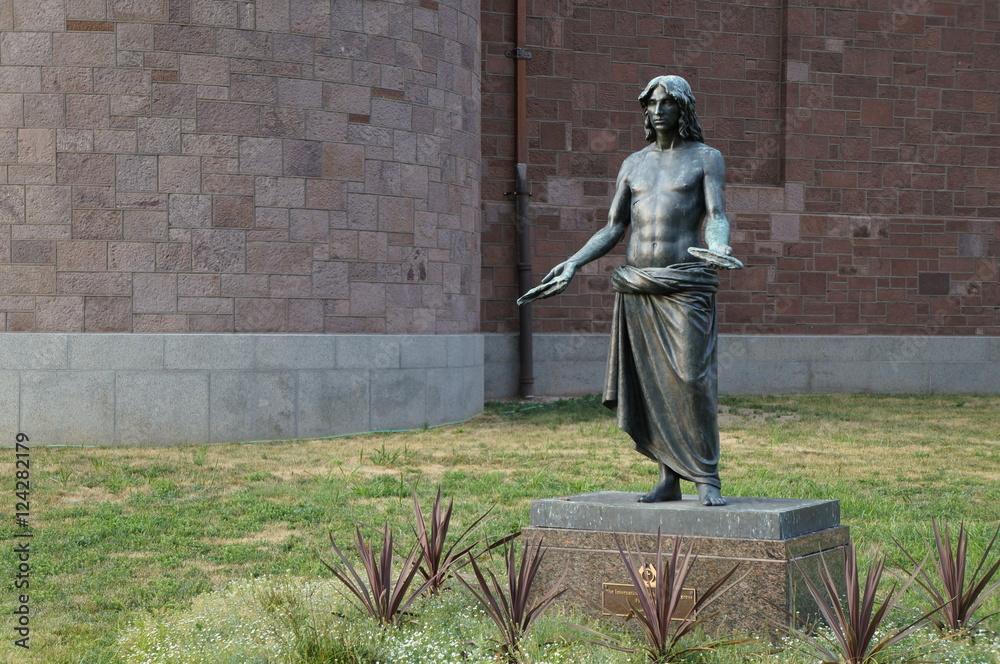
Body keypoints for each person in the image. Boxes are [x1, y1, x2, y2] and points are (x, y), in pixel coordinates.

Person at [518, 75, 740, 506]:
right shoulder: (633, 164)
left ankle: (706, 477)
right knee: (650, 385)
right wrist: (574, 262)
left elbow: (716, 213)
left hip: (684, 284)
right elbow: (615, 226)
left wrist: (718, 245)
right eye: (651, 104)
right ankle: (667, 477)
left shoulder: (706, 159)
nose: (657, 111)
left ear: (684, 109)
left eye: (666, 103)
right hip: (637, 285)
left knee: (692, 380)